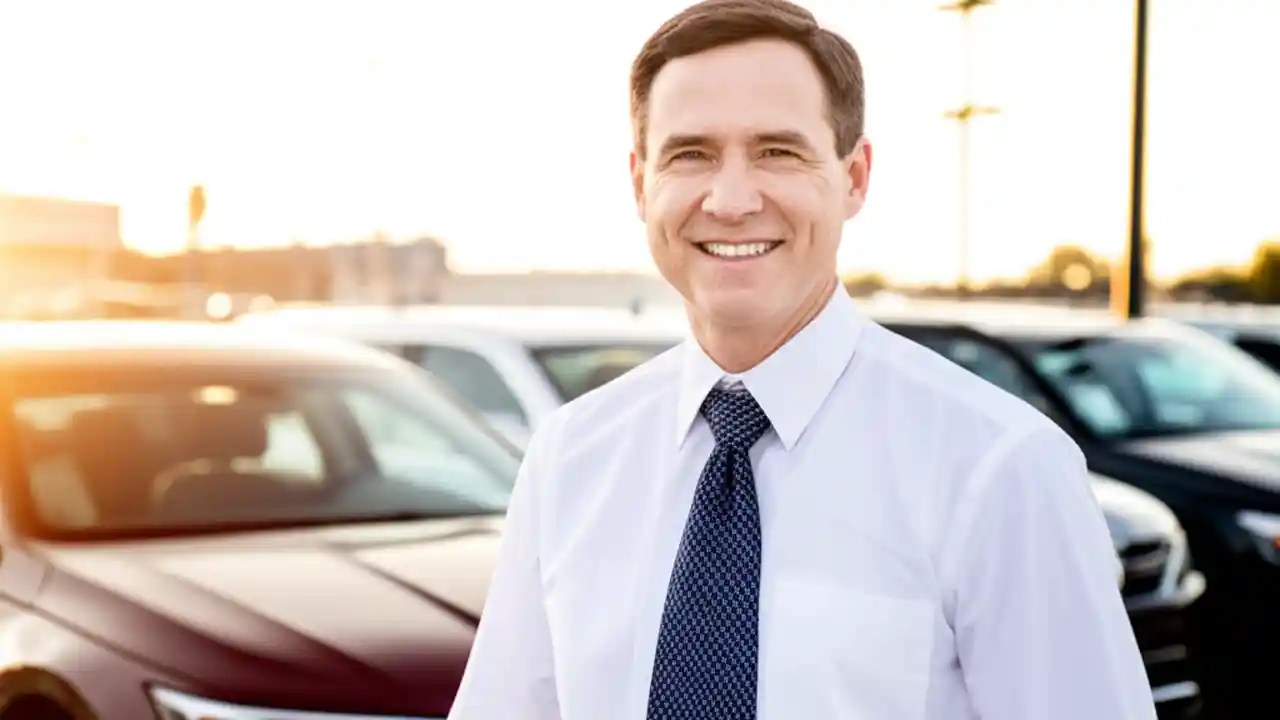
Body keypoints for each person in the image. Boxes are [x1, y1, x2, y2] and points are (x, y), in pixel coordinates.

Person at [447, 0, 1157, 718]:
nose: (730, 200)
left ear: (855, 178)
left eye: (777, 152)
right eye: (690, 154)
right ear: (640, 184)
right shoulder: (570, 459)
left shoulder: (1000, 469)